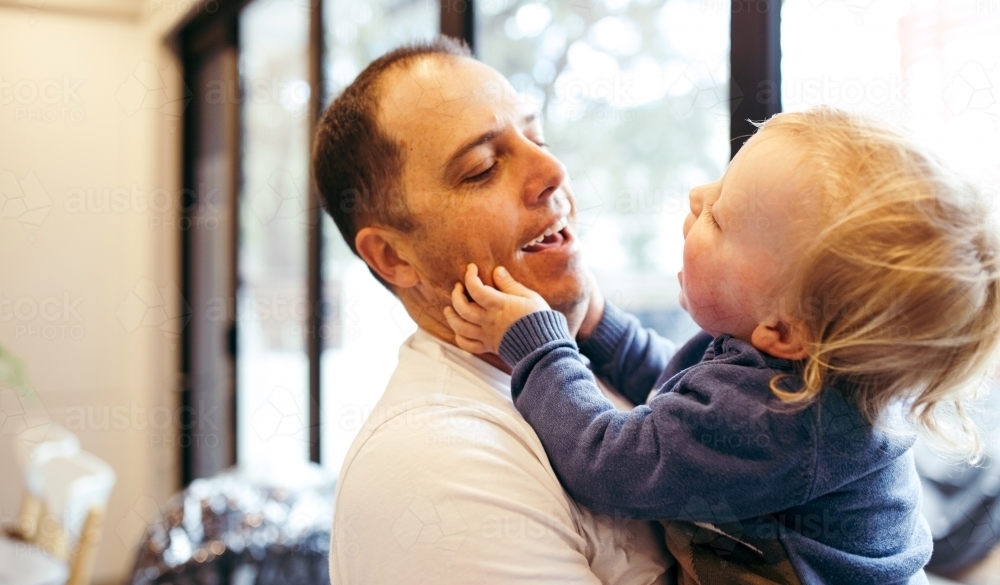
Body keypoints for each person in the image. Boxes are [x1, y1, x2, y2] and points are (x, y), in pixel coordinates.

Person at [444, 108, 1000, 584]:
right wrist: (599, 327)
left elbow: (614, 461)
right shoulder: (790, 368)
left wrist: (539, 350)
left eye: (718, 216)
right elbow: (682, 400)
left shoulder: (788, 417)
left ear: (782, 331)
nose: (696, 196)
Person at [313, 37, 672, 583]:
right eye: (481, 168)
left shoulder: (594, 368)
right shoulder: (431, 469)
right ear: (393, 256)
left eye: (537, 136)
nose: (552, 170)